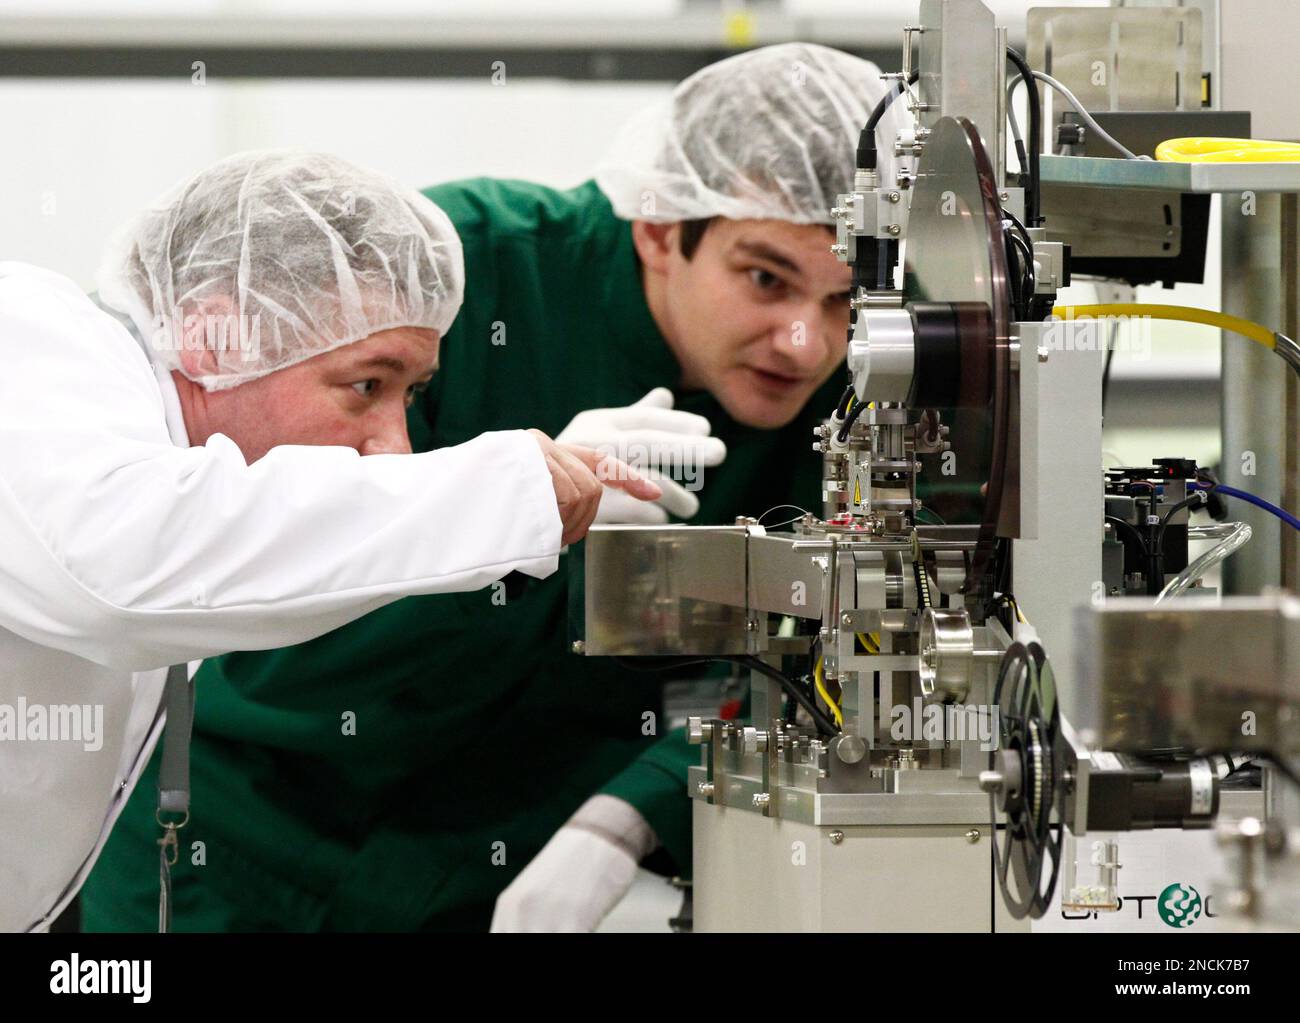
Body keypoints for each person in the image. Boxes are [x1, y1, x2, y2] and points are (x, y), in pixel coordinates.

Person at [81, 43, 900, 932]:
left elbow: (802, 660)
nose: (804, 344)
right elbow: (268, 602)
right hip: (235, 844)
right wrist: (499, 517)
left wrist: (634, 813)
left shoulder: (849, 403)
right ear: (661, 228)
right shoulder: (461, 280)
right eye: (765, 278)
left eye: (844, 299)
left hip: (482, 877)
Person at [0, 150, 656, 933]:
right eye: (365, 386)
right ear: (216, 339)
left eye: (412, 394)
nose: (395, 447)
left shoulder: (165, 456)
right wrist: (501, 491)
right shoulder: (35, 339)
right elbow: (112, 569)